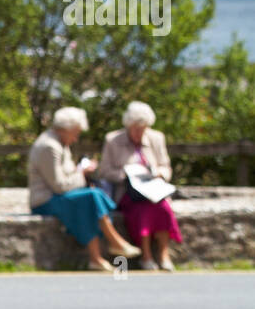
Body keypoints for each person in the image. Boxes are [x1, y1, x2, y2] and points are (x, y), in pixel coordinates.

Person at [28, 107, 141, 272]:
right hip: (45, 200)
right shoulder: (49, 147)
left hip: (60, 197)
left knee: (91, 199)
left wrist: (81, 171)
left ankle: (97, 258)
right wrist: (82, 173)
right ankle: (115, 242)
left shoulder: (60, 143)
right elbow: (59, 186)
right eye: (76, 133)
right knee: (91, 197)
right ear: (65, 129)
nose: (76, 138)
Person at [98, 101, 181, 271]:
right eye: (135, 129)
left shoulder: (156, 138)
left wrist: (158, 173)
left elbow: (166, 167)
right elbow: (104, 171)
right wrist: (127, 175)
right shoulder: (113, 140)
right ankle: (146, 255)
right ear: (128, 125)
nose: (139, 133)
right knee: (143, 209)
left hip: (154, 190)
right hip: (128, 192)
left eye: (142, 129)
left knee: (163, 207)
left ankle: (164, 255)